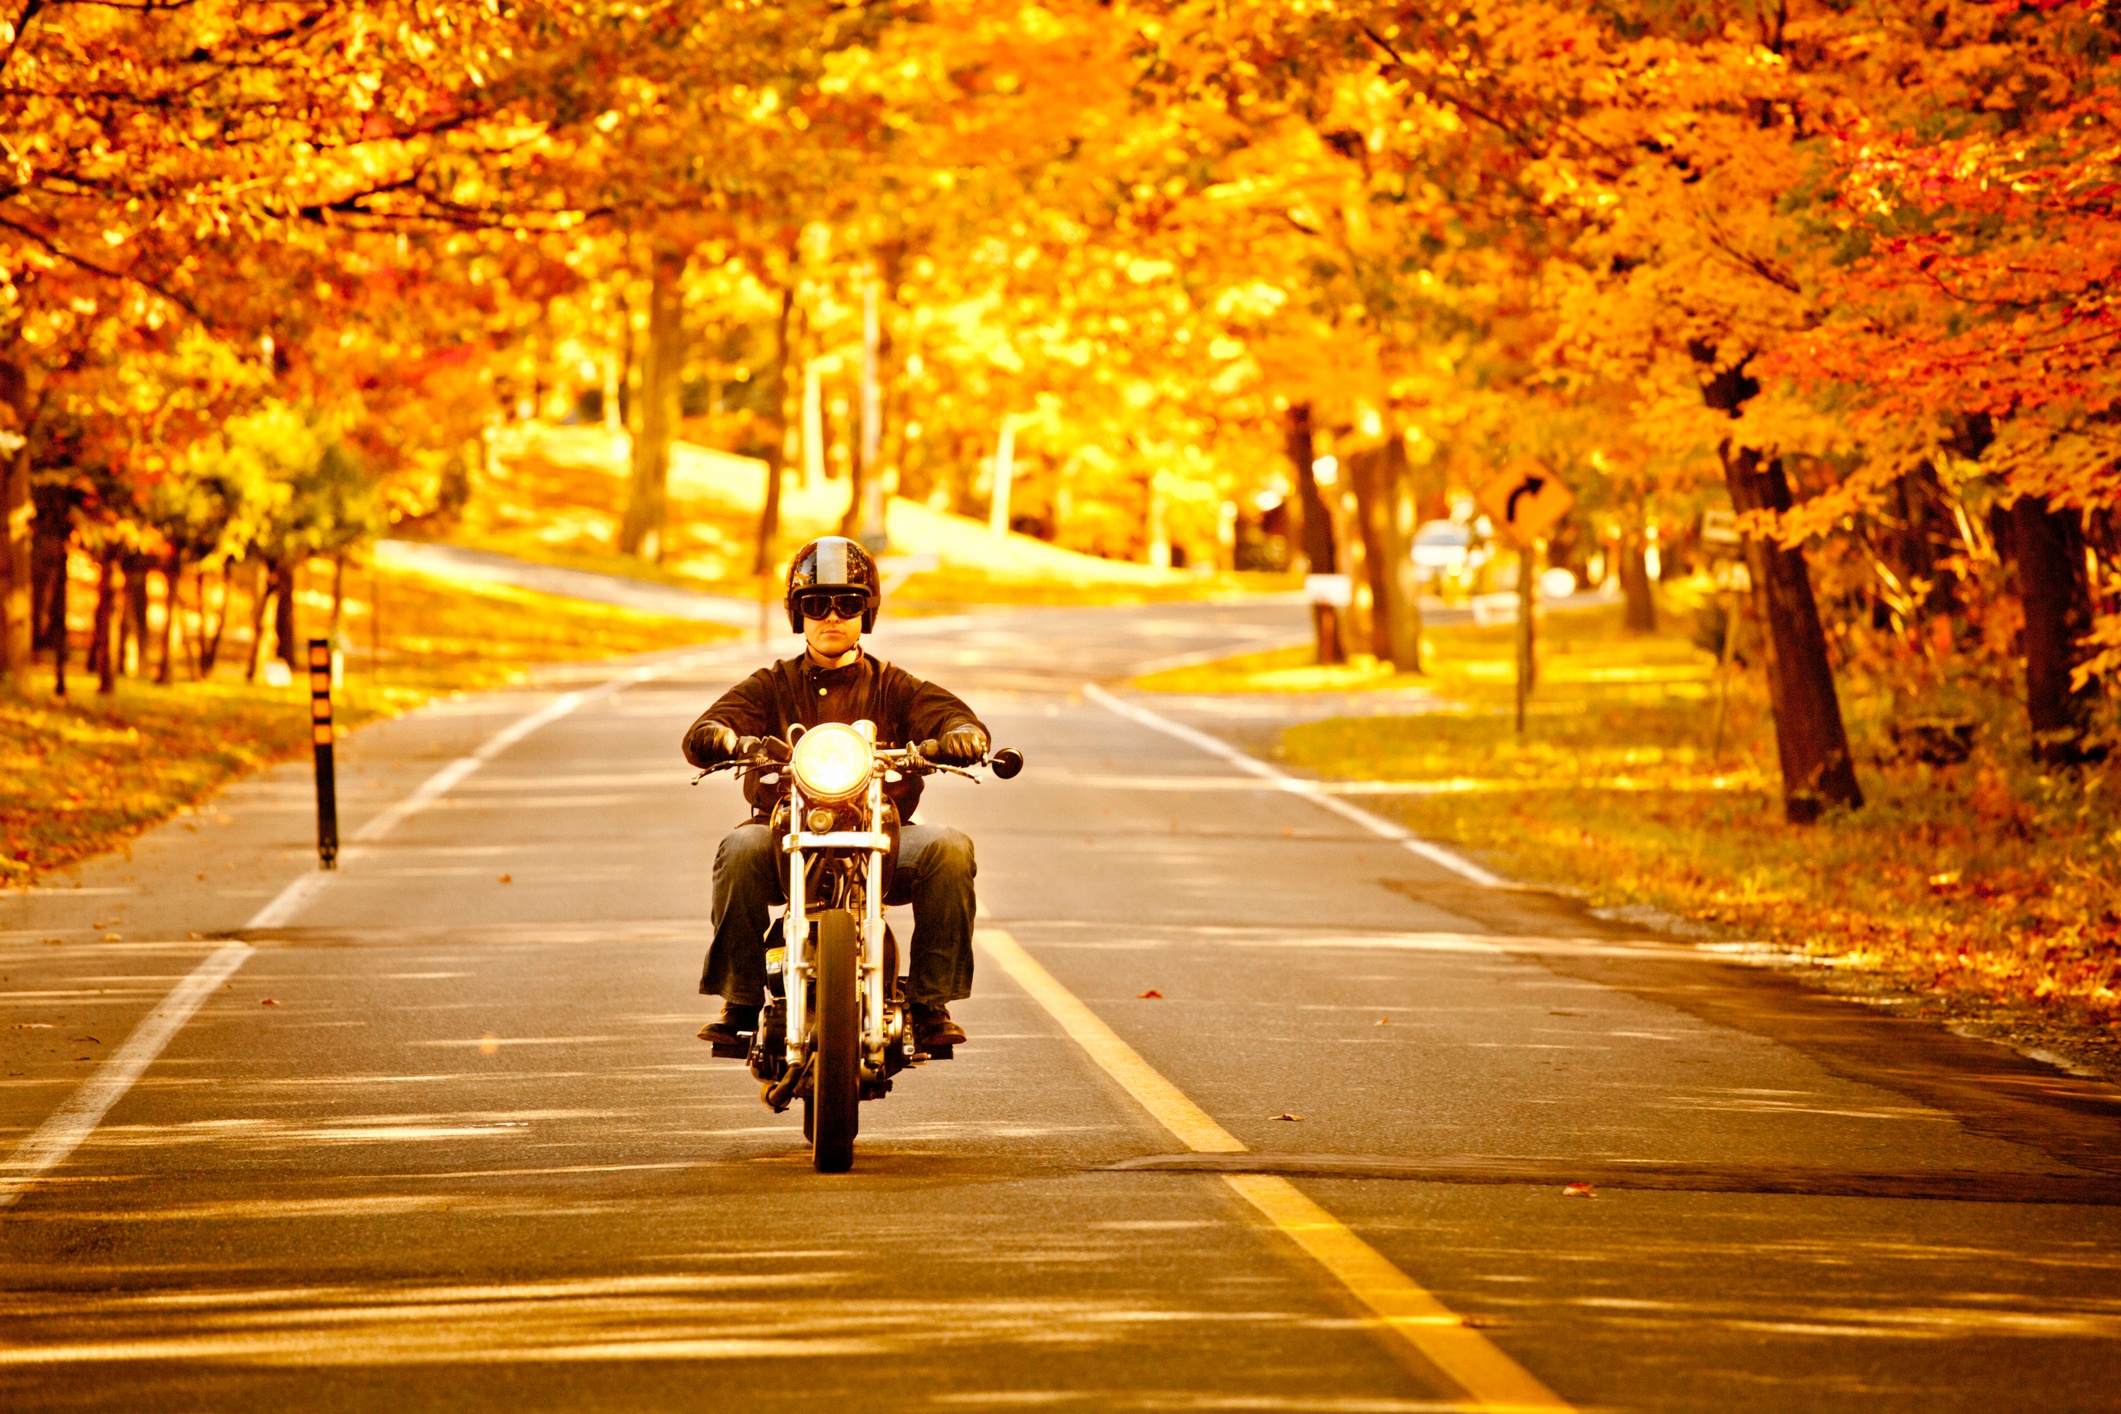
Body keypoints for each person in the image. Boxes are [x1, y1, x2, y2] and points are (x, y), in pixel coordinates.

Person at [681, 536, 990, 1053]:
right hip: (782, 833)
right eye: (816, 604)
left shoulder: (894, 685)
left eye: (847, 604)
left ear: (865, 613)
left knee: (950, 848)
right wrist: (718, 735)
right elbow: (707, 727)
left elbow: (953, 716)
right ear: (796, 614)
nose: (831, 616)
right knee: (737, 851)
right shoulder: (770, 685)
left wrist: (963, 734)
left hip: (881, 834)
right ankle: (739, 1002)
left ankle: (931, 1003)